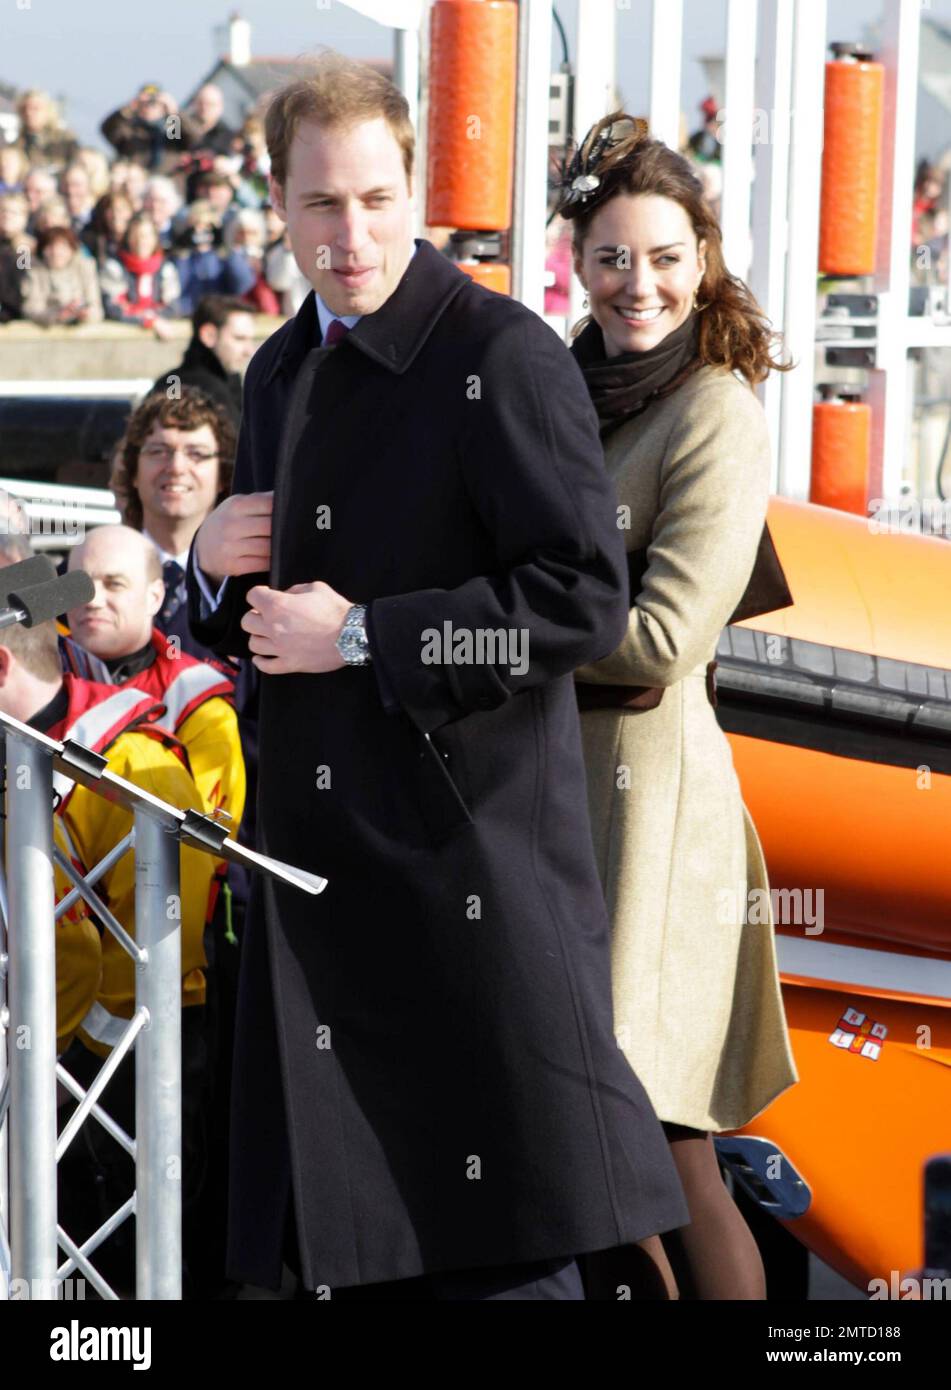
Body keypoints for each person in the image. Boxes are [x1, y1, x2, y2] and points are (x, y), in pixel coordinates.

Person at [186, 50, 688, 1301]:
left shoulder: (503, 352)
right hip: (315, 876)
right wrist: (202, 566)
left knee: (494, 1253)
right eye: (317, 204)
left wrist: (369, 635)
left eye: (371, 199)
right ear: (280, 207)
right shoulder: (278, 371)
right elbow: (264, 630)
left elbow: (580, 596)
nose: (347, 234)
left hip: (468, 874)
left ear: (414, 192)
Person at [559, 113, 798, 1299]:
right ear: (577, 262)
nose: (635, 283)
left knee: (656, 1146)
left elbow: (665, 636)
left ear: (700, 255)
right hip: (559, 796)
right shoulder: (561, 383)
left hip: (652, 819)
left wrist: (497, 632)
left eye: (661, 256)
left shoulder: (715, 409)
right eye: (610, 256)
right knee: (628, 1144)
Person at [150, 296, 254, 423]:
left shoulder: (228, 384)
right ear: (209, 335)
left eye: (250, 340)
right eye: (239, 338)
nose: (249, 351)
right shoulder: (209, 391)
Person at [99, 213, 180, 328]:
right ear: (128, 238)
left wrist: (148, 316)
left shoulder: (166, 269)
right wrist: (147, 321)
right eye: (135, 235)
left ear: (155, 238)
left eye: (145, 236)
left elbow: (172, 308)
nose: (140, 241)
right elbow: (113, 309)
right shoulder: (114, 268)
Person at [21, 225, 103, 326]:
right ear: (43, 250)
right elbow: (31, 309)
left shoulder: (85, 267)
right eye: (51, 247)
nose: (56, 252)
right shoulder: (34, 272)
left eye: (62, 247)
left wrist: (85, 313)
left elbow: (96, 306)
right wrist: (58, 315)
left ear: (72, 250)